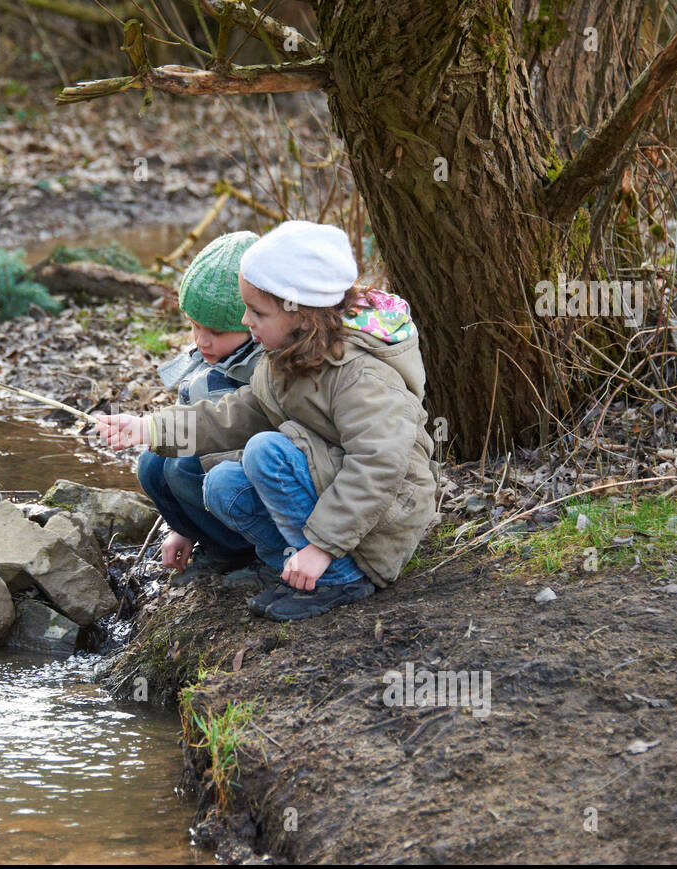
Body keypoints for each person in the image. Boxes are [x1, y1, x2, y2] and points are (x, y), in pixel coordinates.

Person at [97, 220, 437, 621]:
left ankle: (338, 577)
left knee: (266, 450)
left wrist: (323, 547)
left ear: (302, 312)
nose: (246, 320)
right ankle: (292, 574)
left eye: (256, 311)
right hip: (333, 494)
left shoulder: (360, 376)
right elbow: (238, 413)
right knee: (223, 484)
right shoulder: (288, 357)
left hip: (382, 516)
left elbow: (379, 466)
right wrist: (152, 429)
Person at [136, 231, 262, 579]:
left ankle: (244, 551)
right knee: (152, 460)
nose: (202, 341)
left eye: (217, 332)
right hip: (214, 475)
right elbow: (184, 415)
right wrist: (182, 527)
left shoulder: (265, 365)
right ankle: (209, 539)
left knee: (182, 466)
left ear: (253, 322)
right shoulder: (205, 360)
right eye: (194, 326)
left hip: (248, 484)